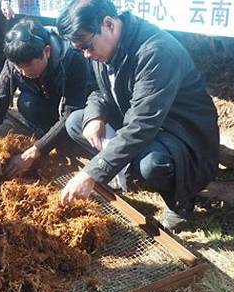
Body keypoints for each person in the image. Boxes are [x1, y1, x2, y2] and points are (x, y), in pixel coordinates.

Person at [57, 0, 219, 229]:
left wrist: (91, 173)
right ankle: (122, 170)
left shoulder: (155, 51)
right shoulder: (104, 50)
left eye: (87, 46)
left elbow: (142, 125)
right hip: (139, 119)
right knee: (77, 122)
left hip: (182, 133)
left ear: (109, 24)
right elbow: (99, 90)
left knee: (151, 165)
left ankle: (181, 200)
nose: (86, 55)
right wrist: (95, 116)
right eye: (80, 49)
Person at [0, 18, 91, 181]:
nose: (23, 73)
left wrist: (35, 152)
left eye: (28, 66)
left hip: (77, 111)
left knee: (72, 130)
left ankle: (59, 140)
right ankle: (48, 135)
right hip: (45, 105)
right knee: (26, 102)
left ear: (46, 51)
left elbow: (70, 112)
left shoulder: (74, 60)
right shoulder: (14, 63)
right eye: (19, 67)